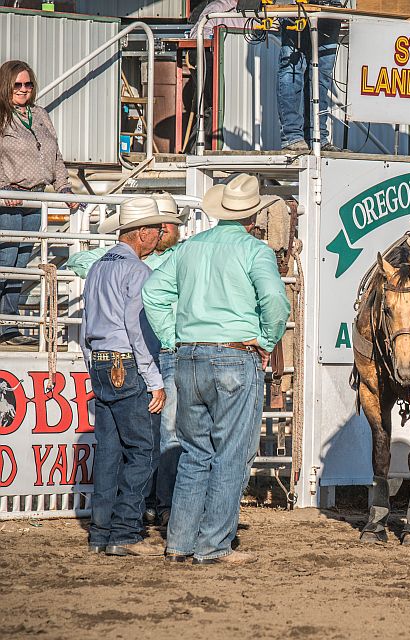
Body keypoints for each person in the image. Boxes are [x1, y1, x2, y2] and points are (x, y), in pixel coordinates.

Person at [143, 173, 290, 565]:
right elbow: (275, 300)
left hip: (189, 355)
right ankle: (213, 545)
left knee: (194, 452)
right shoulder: (255, 250)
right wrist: (267, 340)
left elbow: (153, 292)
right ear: (252, 216)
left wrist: (172, 337)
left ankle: (179, 542)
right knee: (230, 453)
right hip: (233, 355)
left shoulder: (189, 248)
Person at [67, 192, 189, 527]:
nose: (161, 234)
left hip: (106, 359)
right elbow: (138, 331)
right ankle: (126, 527)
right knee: (144, 447)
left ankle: (104, 526)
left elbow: (90, 320)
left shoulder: (101, 267)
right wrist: (153, 381)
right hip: (135, 360)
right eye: (157, 228)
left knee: (110, 447)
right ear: (146, 232)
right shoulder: (137, 270)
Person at [0, 60, 78, 345]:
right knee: (5, 260)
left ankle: (8, 327)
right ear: (6, 85)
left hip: (36, 197)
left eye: (28, 84)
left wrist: (64, 187)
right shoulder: (1, 115)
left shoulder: (40, 114)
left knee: (20, 263)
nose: (23, 90)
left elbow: (54, 154)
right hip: (7, 198)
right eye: (17, 84)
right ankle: (3, 326)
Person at [275, 0, 343, 153]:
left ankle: (318, 137)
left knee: (322, 75)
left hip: (329, 10)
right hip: (296, 7)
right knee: (292, 70)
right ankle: (292, 136)